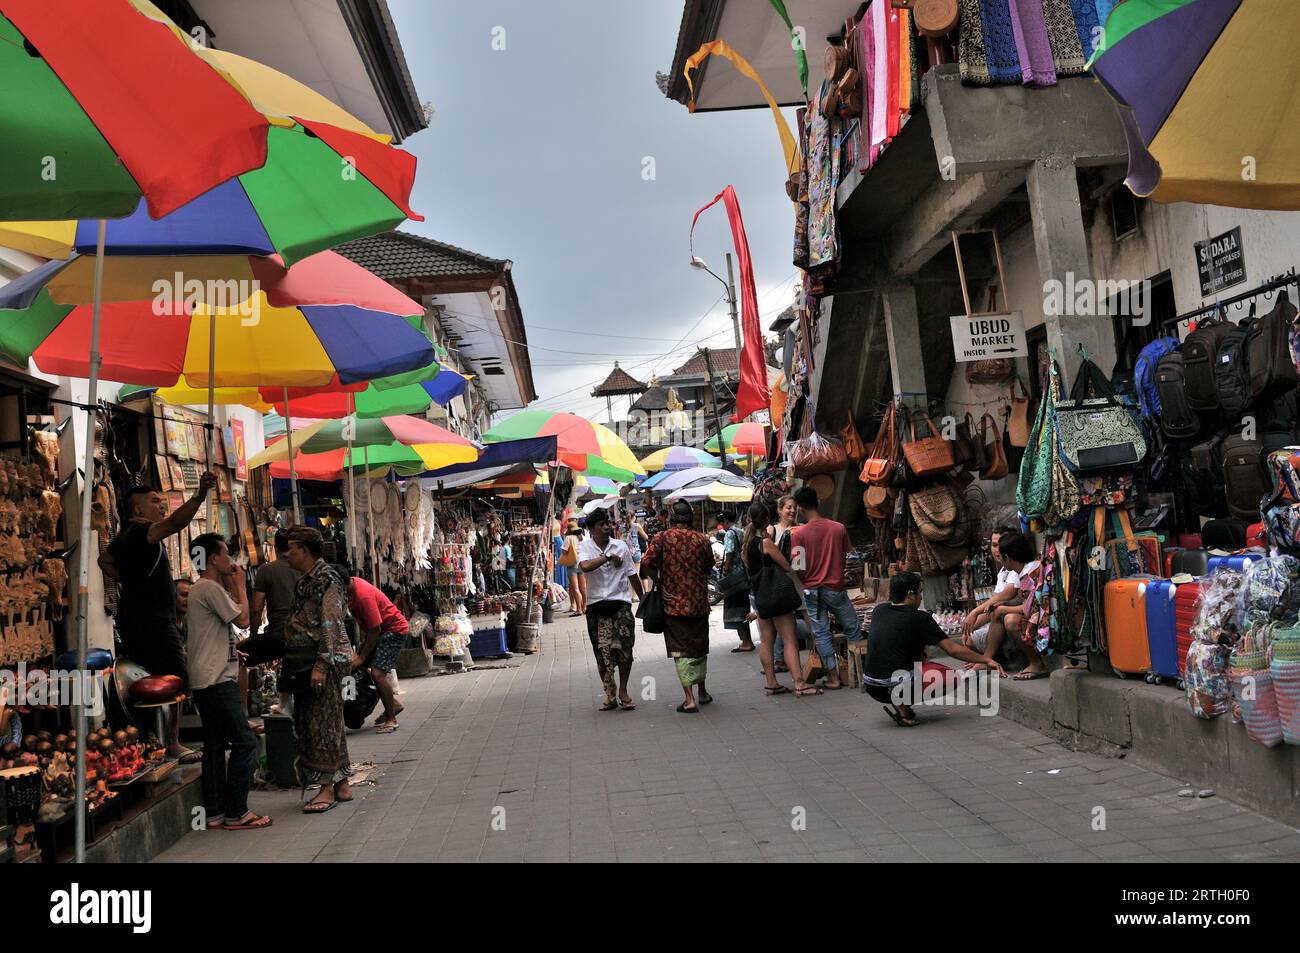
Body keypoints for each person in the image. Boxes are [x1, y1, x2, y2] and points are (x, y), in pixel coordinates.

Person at [100, 474, 215, 756]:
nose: (161, 507)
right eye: (155, 502)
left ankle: (151, 741)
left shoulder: (125, 537)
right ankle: (172, 743)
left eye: (162, 502)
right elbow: (176, 523)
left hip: (137, 620)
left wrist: (131, 581)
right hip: (153, 622)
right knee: (177, 678)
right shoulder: (141, 532)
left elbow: (105, 560)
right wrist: (199, 495)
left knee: (147, 678)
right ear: (138, 510)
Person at [186, 533, 268, 830]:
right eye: (225, 555)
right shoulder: (209, 587)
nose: (230, 561)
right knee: (245, 741)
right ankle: (237, 811)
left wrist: (231, 653)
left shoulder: (202, 590)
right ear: (213, 559)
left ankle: (216, 812)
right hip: (216, 682)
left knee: (214, 743)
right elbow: (244, 620)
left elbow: (216, 632)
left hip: (207, 678)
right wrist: (241, 586)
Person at [864, 573, 1005, 726]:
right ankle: (902, 706)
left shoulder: (879, 610)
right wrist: (987, 659)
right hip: (893, 684)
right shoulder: (920, 618)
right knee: (950, 678)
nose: (921, 597)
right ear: (910, 594)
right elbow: (953, 650)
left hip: (872, 685)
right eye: (920, 592)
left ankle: (900, 702)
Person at [282, 527, 353, 814]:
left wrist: (321, 666)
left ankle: (326, 788)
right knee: (328, 721)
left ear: (305, 550)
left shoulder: (327, 579)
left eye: (291, 548)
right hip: (306, 659)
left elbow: (331, 624)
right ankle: (342, 782)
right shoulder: (305, 582)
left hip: (325, 660)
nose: (286, 554)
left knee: (321, 724)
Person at [641, 500, 715, 713]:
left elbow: (646, 563)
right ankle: (702, 691)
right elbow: (709, 566)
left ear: (672, 517)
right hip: (699, 601)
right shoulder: (702, 539)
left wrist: (659, 581)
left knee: (680, 650)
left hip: (673, 603)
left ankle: (689, 698)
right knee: (699, 646)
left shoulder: (662, 538)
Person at [743, 501, 821, 697]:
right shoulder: (766, 543)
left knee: (766, 641)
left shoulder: (748, 545)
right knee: (789, 640)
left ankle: (771, 683)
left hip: (760, 596)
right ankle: (799, 683)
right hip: (776, 596)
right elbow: (787, 566)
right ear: (767, 519)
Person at [791, 487, 861, 690]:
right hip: (835, 588)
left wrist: (808, 579)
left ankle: (834, 678)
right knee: (853, 629)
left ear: (801, 509)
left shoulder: (799, 534)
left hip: (812, 590)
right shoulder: (838, 528)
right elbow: (846, 556)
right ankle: (857, 672)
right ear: (818, 503)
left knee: (821, 633)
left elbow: (797, 567)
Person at [577, 509, 644, 711]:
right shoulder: (584, 546)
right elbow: (585, 566)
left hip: (621, 603)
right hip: (596, 606)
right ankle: (610, 693)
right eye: (601, 524)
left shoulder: (621, 546)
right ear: (591, 529)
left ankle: (623, 691)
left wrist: (643, 600)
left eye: (608, 523)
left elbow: (632, 574)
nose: (607, 527)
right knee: (602, 651)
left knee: (624, 648)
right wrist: (607, 557)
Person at [343, 568, 409, 732]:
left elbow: (375, 630)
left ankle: (391, 719)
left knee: (377, 674)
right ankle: (393, 704)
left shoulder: (362, 596)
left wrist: (362, 657)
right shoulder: (350, 589)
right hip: (381, 631)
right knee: (361, 669)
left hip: (393, 630)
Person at [976, 533, 1043, 679]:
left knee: (1010, 620)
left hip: (1043, 619)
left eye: (1002, 557)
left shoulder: (1031, 573)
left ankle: (1036, 663)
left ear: (1008, 558)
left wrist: (1003, 608)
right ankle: (988, 658)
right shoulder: (1025, 572)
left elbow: (1032, 608)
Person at [960, 528, 1022, 652]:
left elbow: (1004, 596)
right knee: (968, 637)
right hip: (1000, 617)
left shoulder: (1018, 568)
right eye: (994, 545)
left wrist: (974, 612)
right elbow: (992, 605)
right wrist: (968, 627)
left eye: (1001, 545)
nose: (997, 549)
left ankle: (988, 659)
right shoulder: (1002, 571)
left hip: (1014, 617)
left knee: (999, 613)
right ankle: (989, 659)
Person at [250, 531, 301, 648]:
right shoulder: (304, 568)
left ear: (275, 547)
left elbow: (256, 608)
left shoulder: (265, 570)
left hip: (278, 632)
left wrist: (253, 637)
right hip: (304, 632)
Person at [719, 511, 756, 652]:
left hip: (733, 579)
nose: (722, 525)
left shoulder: (729, 533)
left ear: (726, 521)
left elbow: (729, 552)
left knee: (736, 611)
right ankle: (747, 641)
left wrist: (726, 568)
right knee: (743, 608)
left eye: (722, 522)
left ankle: (746, 642)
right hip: (743, 577)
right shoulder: (741, 531)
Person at [563, 521, 586, 616]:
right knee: (583, 588)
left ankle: (579, 609)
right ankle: (585, 607)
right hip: (582, 563)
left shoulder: (568, 538)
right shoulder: (582, 537)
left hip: (572, 564)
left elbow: (564, 552)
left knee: (575, 588)